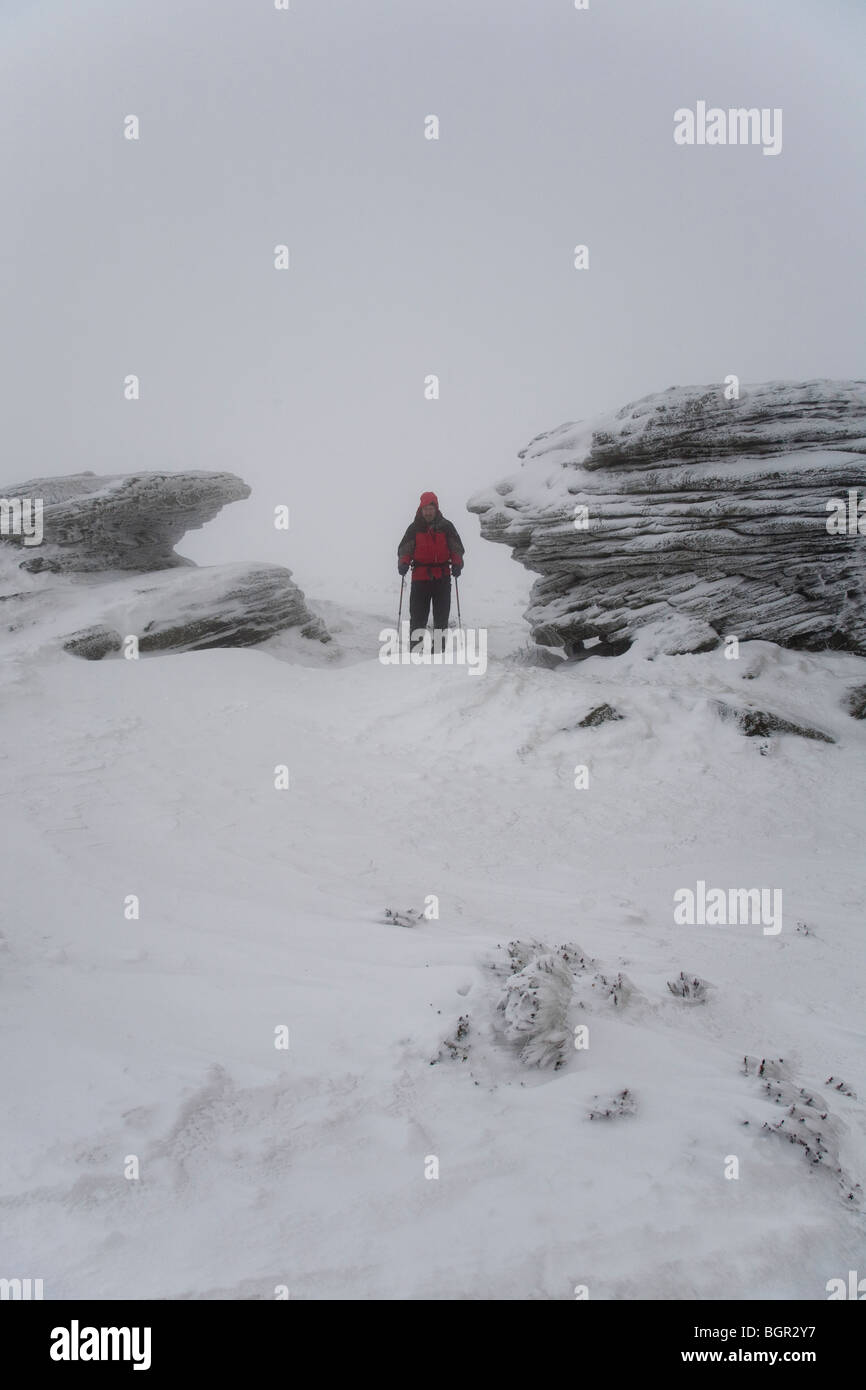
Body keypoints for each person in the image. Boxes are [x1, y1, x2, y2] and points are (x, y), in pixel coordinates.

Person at [397, 491, 464, 646]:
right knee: (418, 617)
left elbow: (456, 548)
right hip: (420, 578)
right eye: (425, 509)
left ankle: (439, 652)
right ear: (421, 509)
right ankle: (416, 651)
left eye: (430, 508)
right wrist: (404, 562)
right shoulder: (414, 528)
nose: (428, 512)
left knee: (441, 617)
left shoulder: (447, 527)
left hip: (442, 577)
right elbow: (405, 549)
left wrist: (457, 563)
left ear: (436, 508)